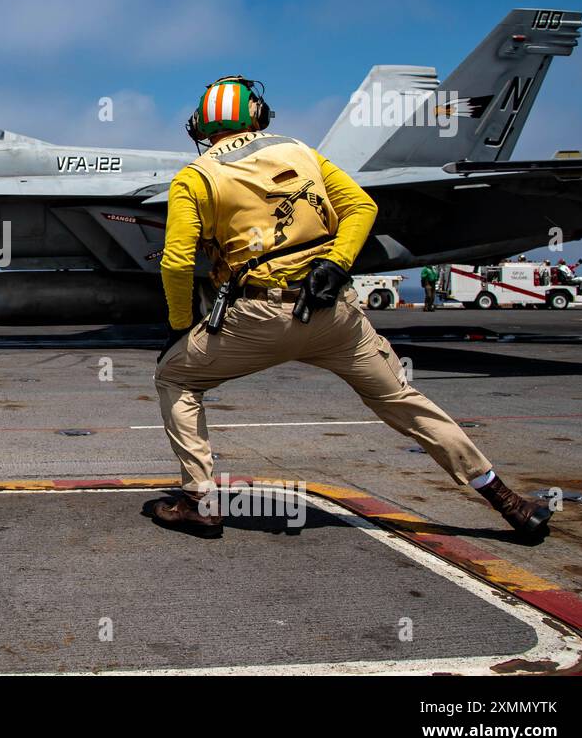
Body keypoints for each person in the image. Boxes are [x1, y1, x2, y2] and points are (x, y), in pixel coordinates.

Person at [150, 75, 553, 540]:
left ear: (201, 125)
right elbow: (361, 206)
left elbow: (177, 261)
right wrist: (337, 263)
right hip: (333, 311)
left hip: (257, 317)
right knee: (402, 400)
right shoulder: (300, 152)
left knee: (176, 376)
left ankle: (199, 501)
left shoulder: (196, 176)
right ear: (258, 115)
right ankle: (507, 501)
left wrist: (180, 327)